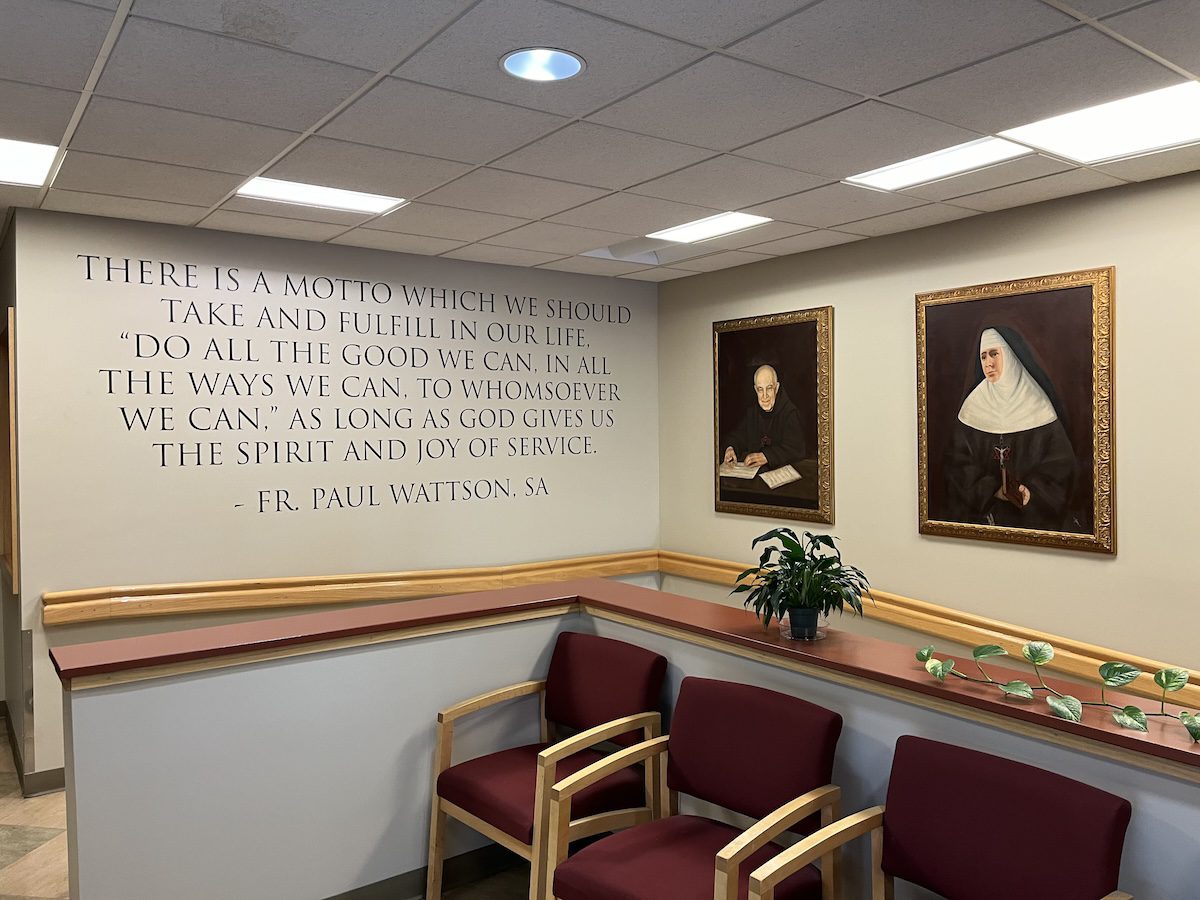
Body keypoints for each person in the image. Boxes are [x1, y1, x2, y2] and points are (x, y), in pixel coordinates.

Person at [943, 326, 1077, 531]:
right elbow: (957, 463)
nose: (988, 363)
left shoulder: (1038, 404)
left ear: (1011, 356)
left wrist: (1031, 491)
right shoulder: (972, 407)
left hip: (1031, 522)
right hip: (980, 522)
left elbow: (1061, 466)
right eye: (983, 356)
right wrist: (992, 489)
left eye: (994, 354)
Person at [721, 364, 806, 470]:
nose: (764, 396)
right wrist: (730, 448)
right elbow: (738, 436)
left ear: (777, 388)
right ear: (755, 389)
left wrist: (767, 456)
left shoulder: (789, 413)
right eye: (760, 389)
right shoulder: (752, 412)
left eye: (769, 388)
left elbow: (796, 449)